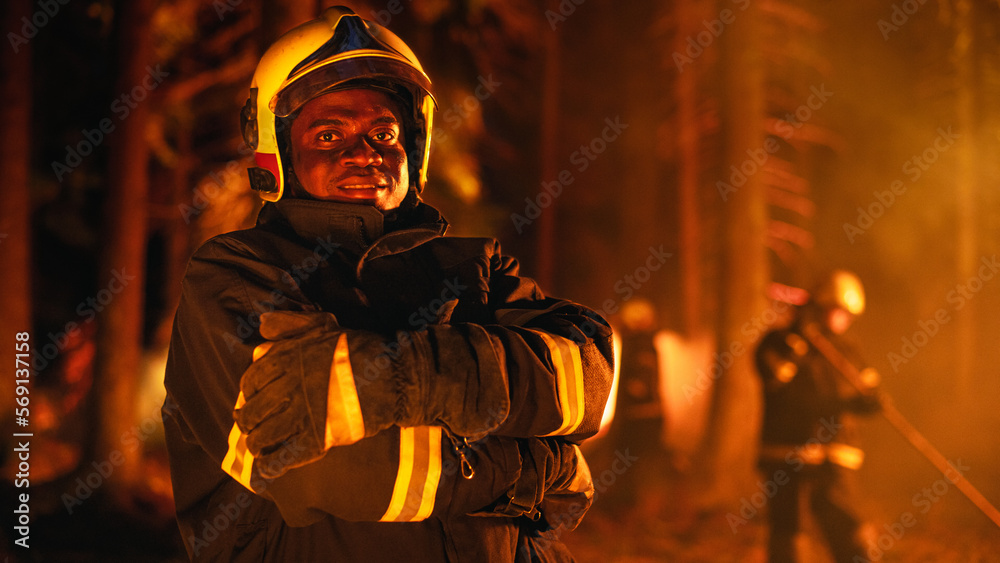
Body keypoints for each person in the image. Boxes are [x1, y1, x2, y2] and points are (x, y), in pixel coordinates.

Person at [161, 6, 614, 562]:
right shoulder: (237, 274)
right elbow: (334, 471)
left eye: (384, 132)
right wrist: (537, 466)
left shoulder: (479, 268)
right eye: (329, 135)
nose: (364, 153)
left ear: (413, 148)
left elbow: (589, 383)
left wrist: (413, 378)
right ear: (277, 151)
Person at [754, 271, 881, 563]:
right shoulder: (780, 342)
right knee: (790, 531)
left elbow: (863, 389)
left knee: (847, 525)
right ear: (817, 307)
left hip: (835, 455)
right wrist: (795, 346)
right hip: (788, 453)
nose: (841, 320)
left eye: (847, 314)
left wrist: (871, 401)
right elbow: (774, 381)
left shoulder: (849, 350)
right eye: (836, 311)